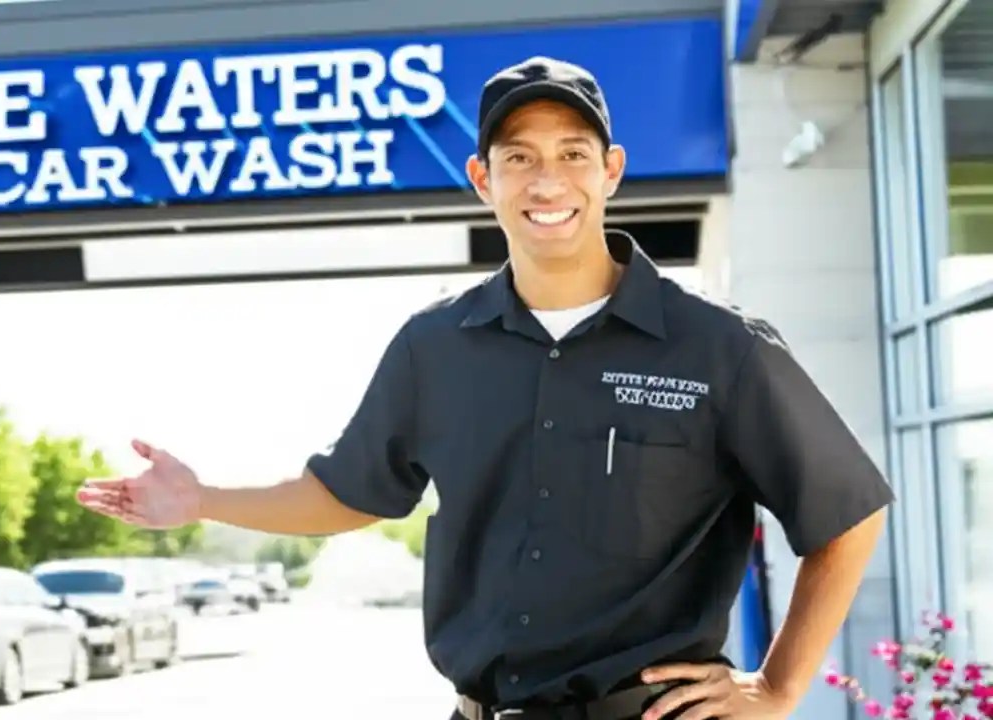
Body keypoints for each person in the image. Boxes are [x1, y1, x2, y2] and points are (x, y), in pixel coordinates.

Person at [77, 56, 895, 720]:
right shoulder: (435, 348)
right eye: (519, 159)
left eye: (573, 154)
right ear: (482, 178)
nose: (548, 183)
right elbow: (345, 493)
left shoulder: (718, 346)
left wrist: (779, 687)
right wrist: (202, 499)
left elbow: (847, 513)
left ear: (611, 170)